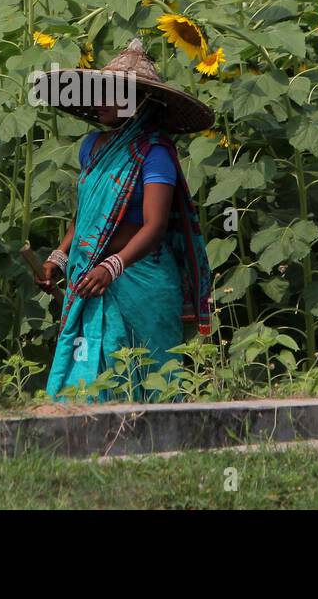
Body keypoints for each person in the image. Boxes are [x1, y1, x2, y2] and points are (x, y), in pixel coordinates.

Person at [34, 39, 214, 401]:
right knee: (91, 370)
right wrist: (59, 255)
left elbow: (155, 226)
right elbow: (86, 216)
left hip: (142, 278)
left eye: (112, 94)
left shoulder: (155, 152)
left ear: (140, 102)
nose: (100, 101)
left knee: (149, 374)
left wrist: (113, 266)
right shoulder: (91, 147)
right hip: (92, 276)